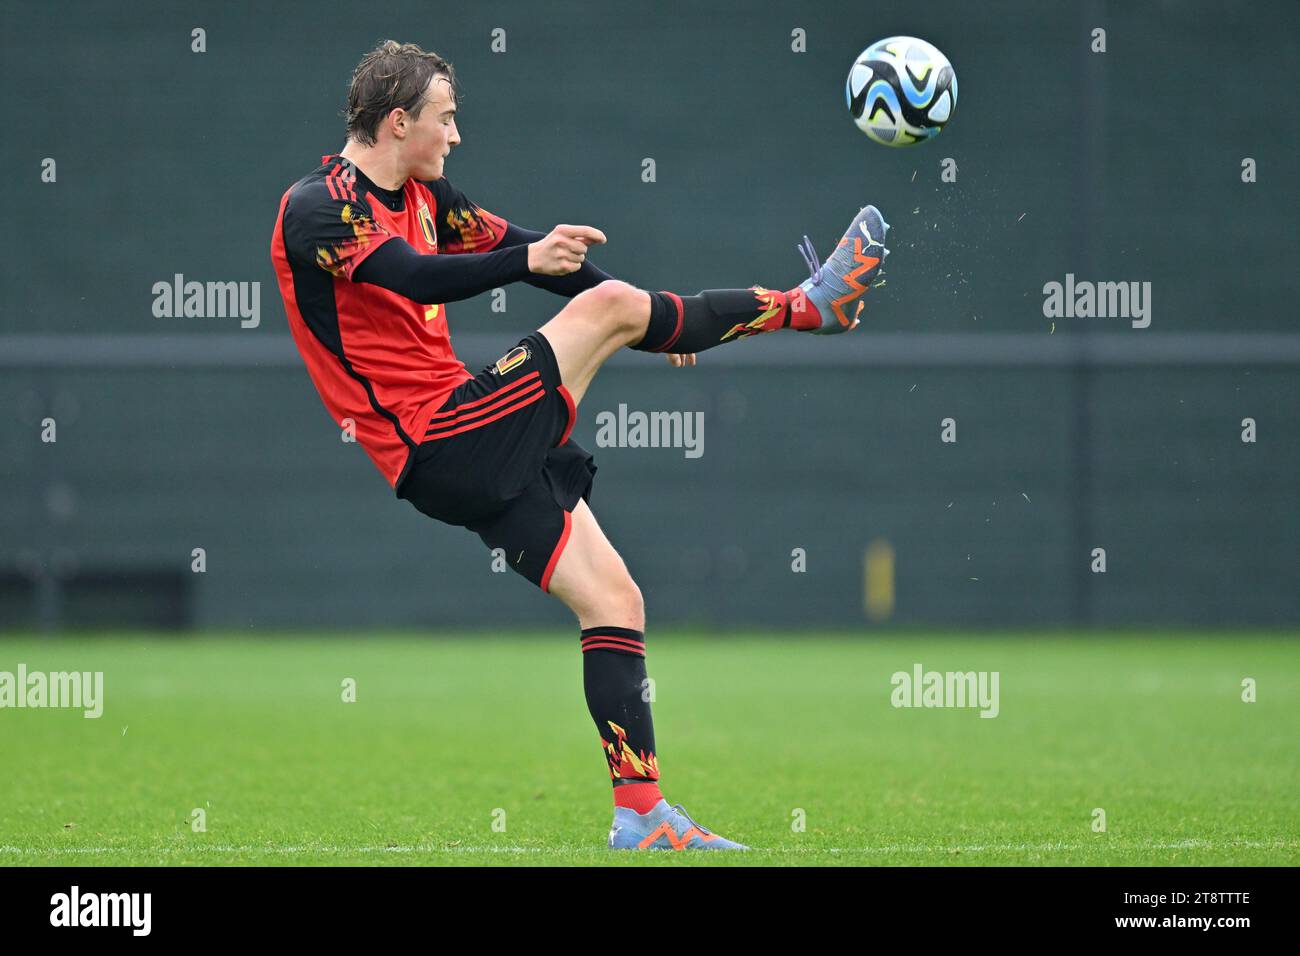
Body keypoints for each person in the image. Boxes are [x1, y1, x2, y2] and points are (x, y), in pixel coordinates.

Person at [270, 40, 888, 851]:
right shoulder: (318, 206)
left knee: (615, 601)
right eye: (445, 120)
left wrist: (641, 311)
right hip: (440, 440)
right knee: (610, 314)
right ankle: (811, 307)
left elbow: (543, 259)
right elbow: (414, 277)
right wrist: (607, 301)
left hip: (469, 441)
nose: (455, 136)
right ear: (397, 123)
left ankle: (641, 813)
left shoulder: (428, 194)